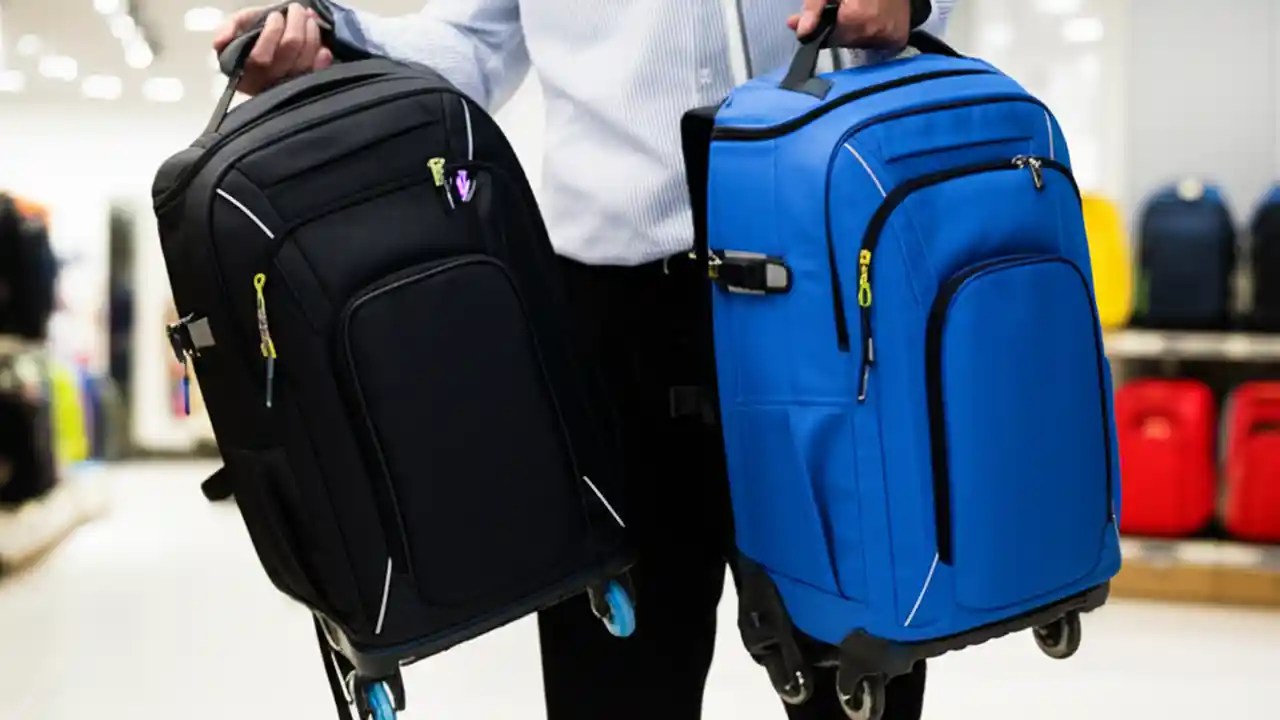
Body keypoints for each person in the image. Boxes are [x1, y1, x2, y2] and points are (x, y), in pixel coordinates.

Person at [214, 1, 955, 718]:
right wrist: (329, 34)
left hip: (825, 292)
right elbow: (471, 43)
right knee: (612, 687)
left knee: (862, 680)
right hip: (612, 335)